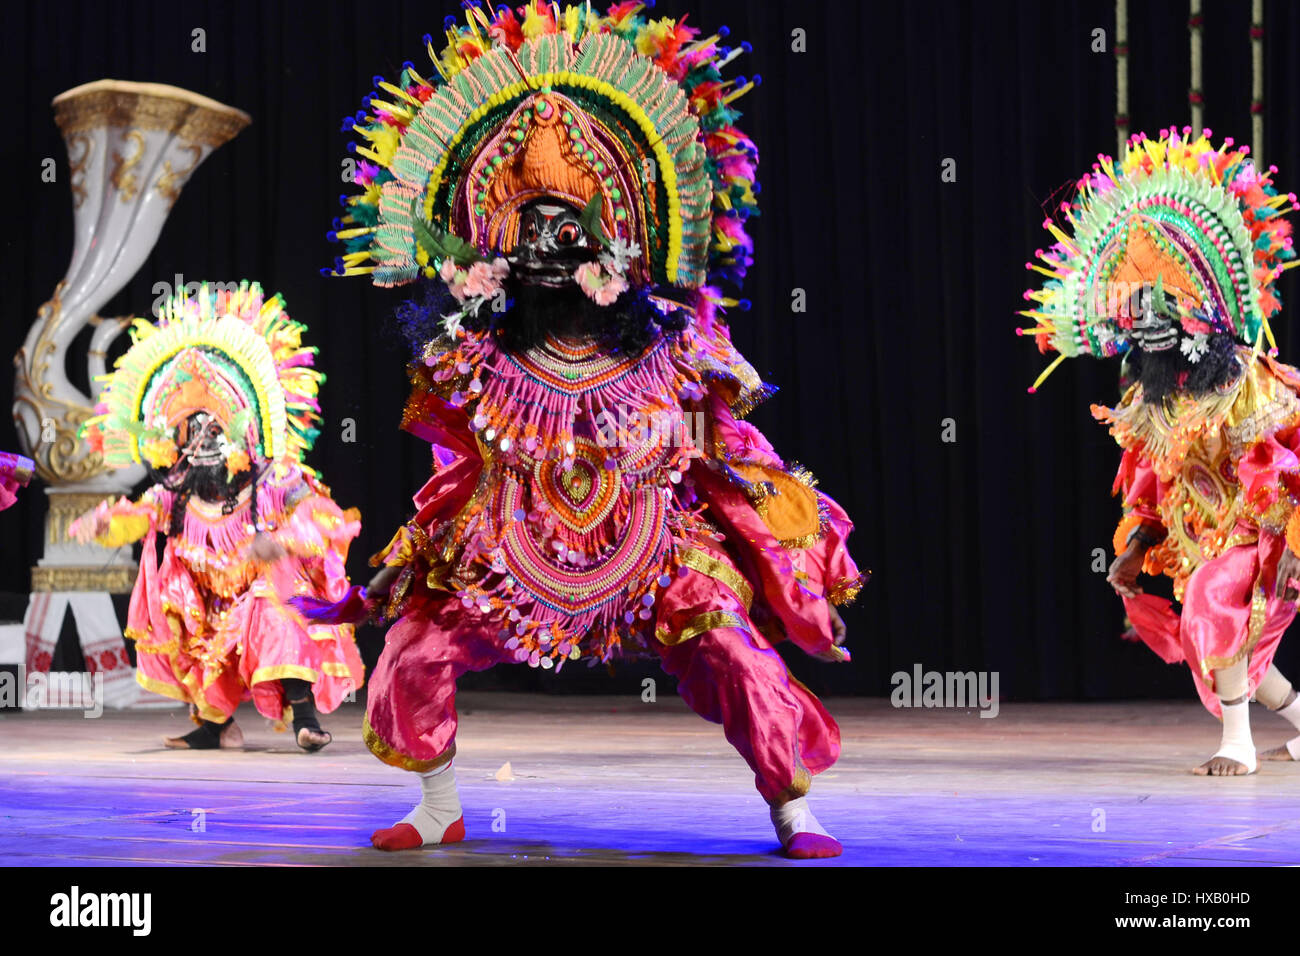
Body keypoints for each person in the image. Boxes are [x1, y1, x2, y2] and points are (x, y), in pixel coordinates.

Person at [309, 1, 866, 857]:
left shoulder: (678, 353)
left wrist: (796, 551)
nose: (544, 249)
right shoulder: (473, 361)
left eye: (567, 234)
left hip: (658, 552)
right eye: (524, 232)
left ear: (616, 256)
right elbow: (461, 475)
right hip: (513, 556)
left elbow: (730, 455)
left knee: (738, 652)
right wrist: (404, 563)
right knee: (415, 648)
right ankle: (441, 804)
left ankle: (794, 808)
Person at [1020, 127, 1300, 775]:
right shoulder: (1155, 396)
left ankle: (1240, 747)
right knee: (1231, 647)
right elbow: (1153, 481)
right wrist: (1136, 549)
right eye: (1134, 309)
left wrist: (1292, 549)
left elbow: (1286, 473)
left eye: (1162, 305)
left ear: (1201, 311)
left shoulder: (1246, 383)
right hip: (1212, 535)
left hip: (1269, 537)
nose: (1145, 321)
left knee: (1209, 602)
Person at [70, 281, 364, 751]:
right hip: (209, 611)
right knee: (172, 594)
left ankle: (304, 719)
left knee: (272, 598)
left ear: (242, 427)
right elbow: (137, 516)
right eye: (192, 428)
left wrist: (283, 542)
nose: (203, 439)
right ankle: (215, 725)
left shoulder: (272, 480)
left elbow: (326, 518)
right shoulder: (178, 491)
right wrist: (105, 524)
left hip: (262, 597)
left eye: (215, 427)